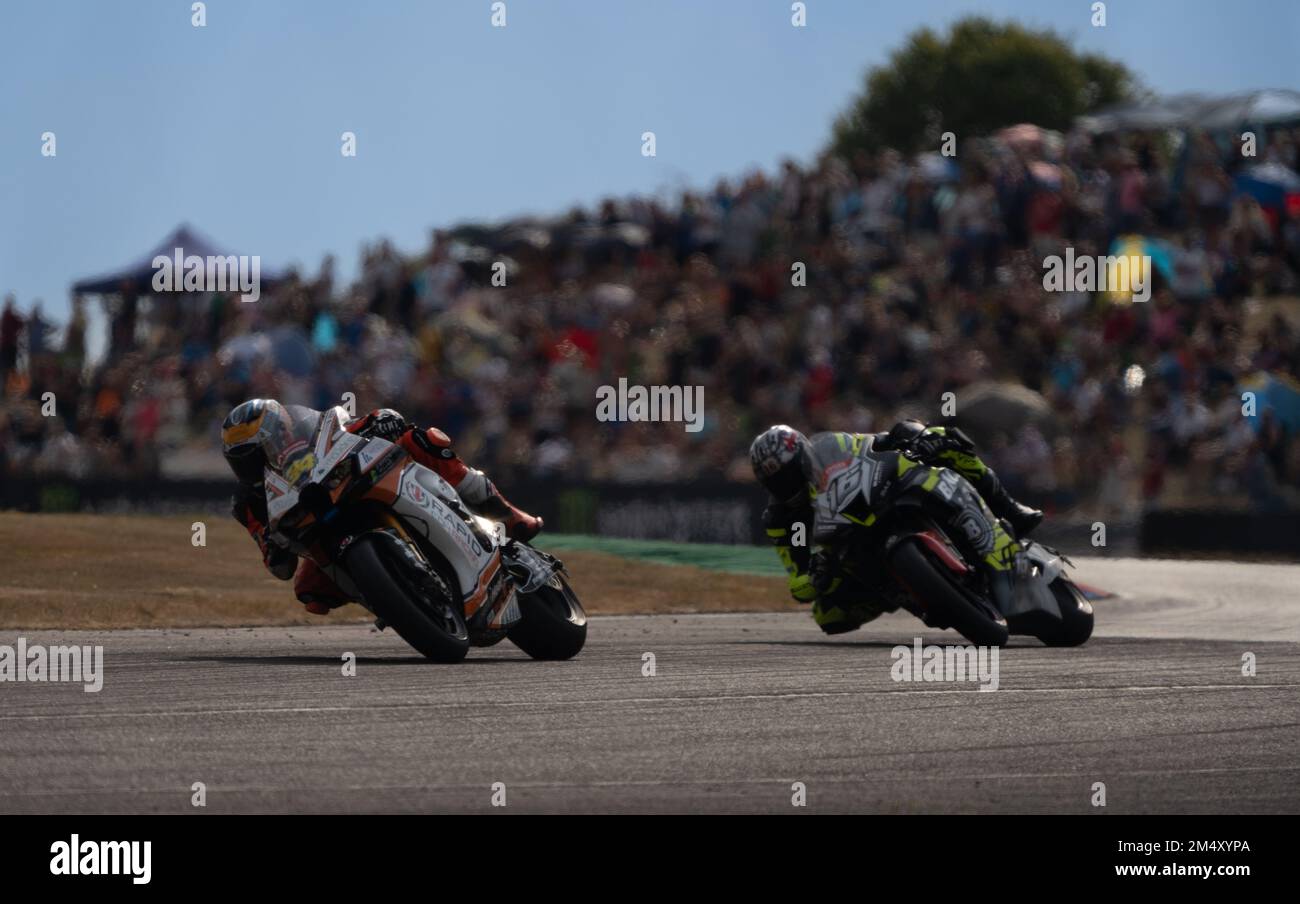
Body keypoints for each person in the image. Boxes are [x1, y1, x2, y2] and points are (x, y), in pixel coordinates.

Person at [221, 399, 542, 614]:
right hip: (321, 529)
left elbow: (359, 425)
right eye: (244, 459)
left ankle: (506, 514)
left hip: (362, 483)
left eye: (258, 450)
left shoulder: (315, 433)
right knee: (309, 592)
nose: (254, 464)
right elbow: (277, 565)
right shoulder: (247, 502)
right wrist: (274, 548)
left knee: (421, 439)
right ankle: (403, 600)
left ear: (281, 430)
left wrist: (384, 421)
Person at [749, 421, 1042, 634]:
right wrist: (816, 577)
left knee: (939, 438)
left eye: (790, 474)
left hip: (877, 496)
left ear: (803, 455)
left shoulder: (833, 447)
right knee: (828, 616)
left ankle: (1009, 509)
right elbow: (797, 582)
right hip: (846, 548)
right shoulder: (782, 520)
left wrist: (912, 435)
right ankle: (904, 592)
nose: (787, 486)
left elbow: (876, 442)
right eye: (777, 482)